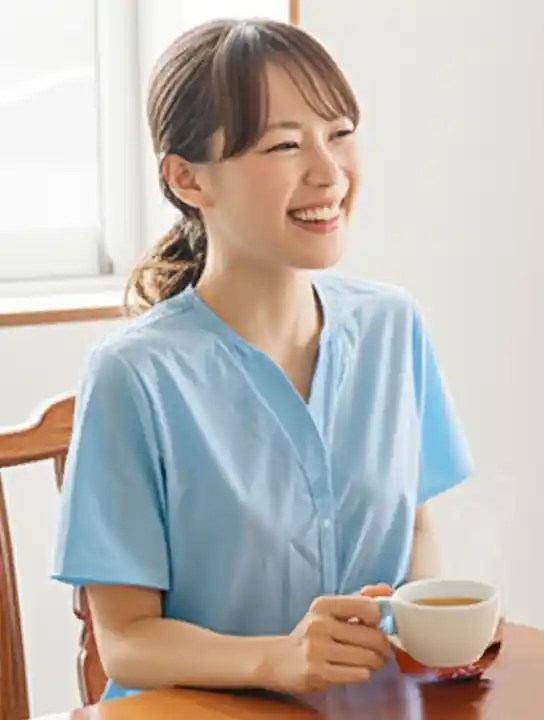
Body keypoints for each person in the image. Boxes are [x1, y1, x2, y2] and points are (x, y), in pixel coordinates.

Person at [51, 19, 474, 700]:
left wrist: (421, 622)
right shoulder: (135, 375)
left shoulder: (392, 326)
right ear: (188, 179)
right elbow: (126, 640)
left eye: (339, 134)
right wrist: (276, 660)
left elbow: (416, 529)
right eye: (284, 144)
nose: (328, 173)